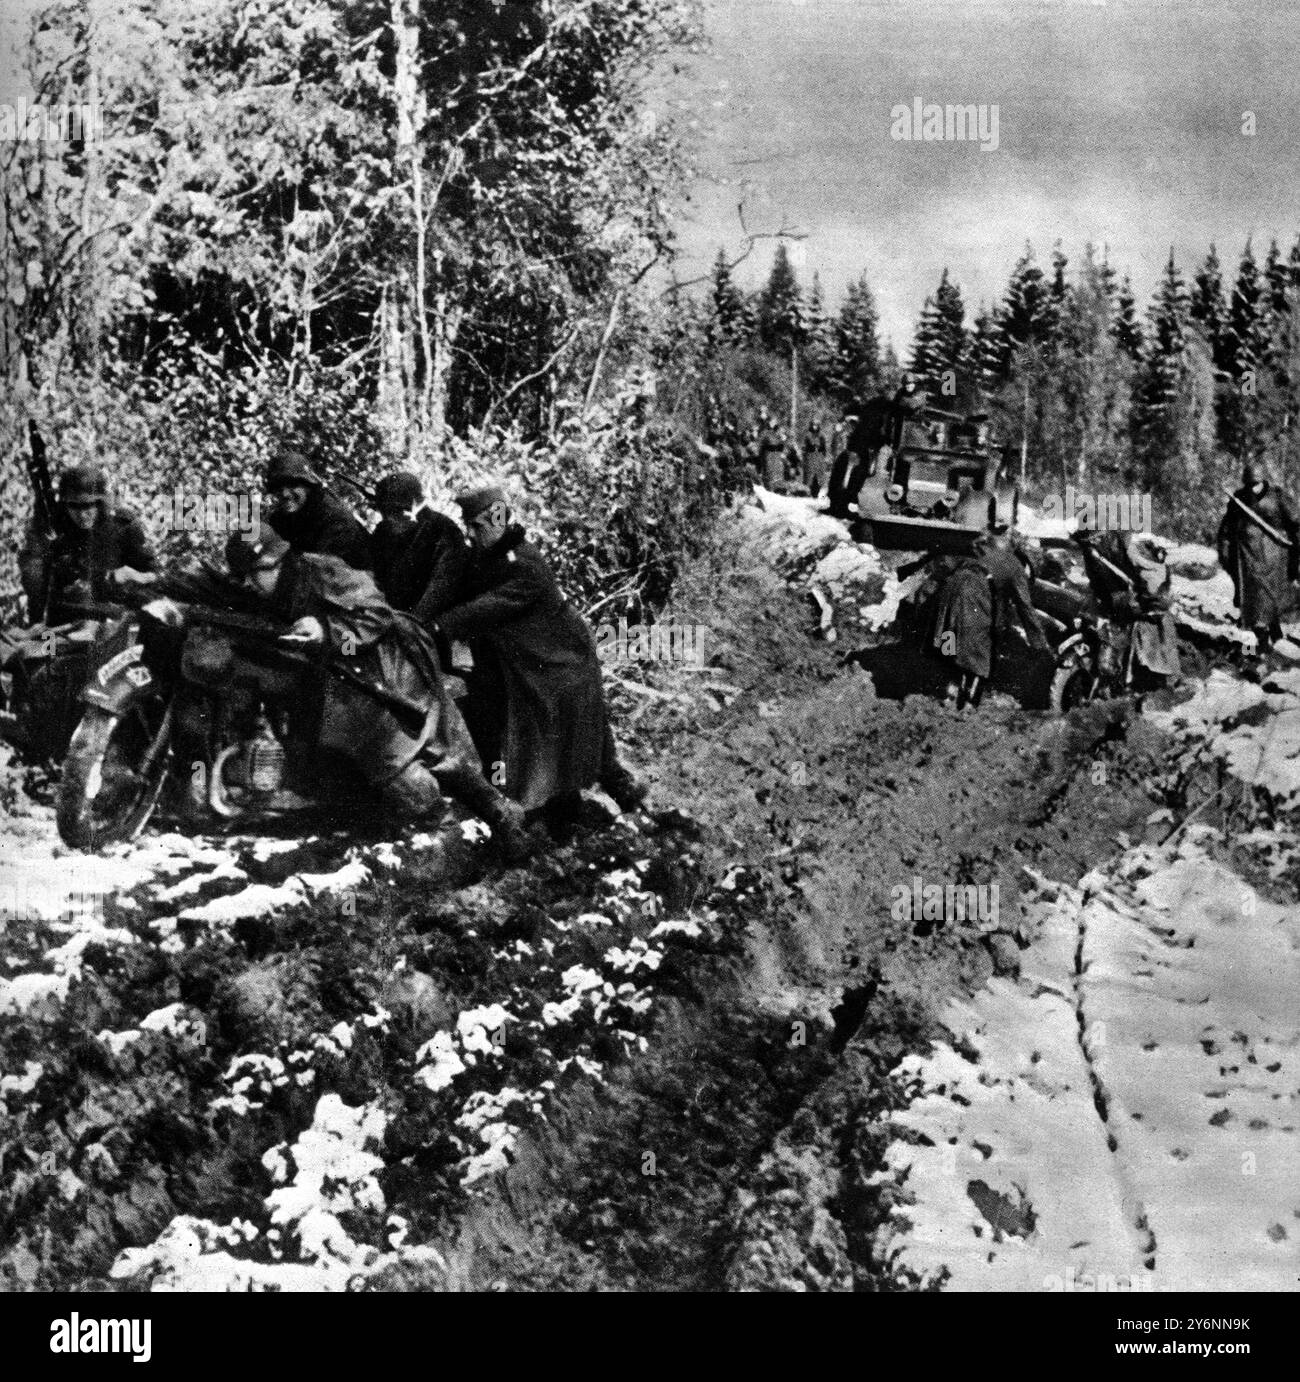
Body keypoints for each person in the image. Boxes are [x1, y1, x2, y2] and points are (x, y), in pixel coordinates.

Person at [205, 522, 530, 856]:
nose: (248, 585)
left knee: (425, 754)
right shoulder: (268, 589)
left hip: (390, 671)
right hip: (349, 689)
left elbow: (377, 615)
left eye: (254, 573)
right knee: (397, 761)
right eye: (242, 577)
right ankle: (451, 828)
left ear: (276, 561)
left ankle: (484, 824)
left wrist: (326, 632)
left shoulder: (321, 571)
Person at [435, 486, 645, 831]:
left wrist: (441, 625)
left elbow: (490, 606)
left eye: (476, 526)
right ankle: (565, 808)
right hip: (528, 657)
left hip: (561, 657)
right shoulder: (486, 558)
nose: (470, 534)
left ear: (500, 519)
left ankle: (598, 800)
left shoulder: (525, 563)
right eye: (466, 526)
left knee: (563, 725)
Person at [930, 528, 1050, 710]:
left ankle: (950, 694)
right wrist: (1039, 644)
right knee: (981, 650)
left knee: (951, 640)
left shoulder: (990, 552)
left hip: (953, 586)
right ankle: (969, 704)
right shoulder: (1016, 566)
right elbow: (1025, 607)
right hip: (974, 591)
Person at [18, 465, 155, 623]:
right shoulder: (57, 526)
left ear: (100, 502)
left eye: (88, 505)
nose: (82, 515)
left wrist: (134, 576)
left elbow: (153, 573)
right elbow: (44, 579)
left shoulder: (123, 526)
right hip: (67, 619)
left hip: (112, 618)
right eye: (74, 506)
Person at [368, 472, 469, 668]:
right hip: (388, 625)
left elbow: (442, 587)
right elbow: (371, 577)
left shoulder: (443, 530)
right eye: (385, 512)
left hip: (426, 632)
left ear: (416, 505)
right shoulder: (382, 532)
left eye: (396, 512)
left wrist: (412, 623)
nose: (389, 519)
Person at [1075, 522, 1181, 688]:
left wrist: (1141, 600)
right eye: (1087, 542)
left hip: (1146, 599)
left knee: (1145, 637)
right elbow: (1099, 583)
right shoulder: (1092, 552)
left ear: (1102, 536)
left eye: (1094, 540)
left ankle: (1149, 680)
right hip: (1116, 600)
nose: (1090, 545)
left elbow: (1154, 579)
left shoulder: (1128, 548)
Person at [1216, 463, 1299, 654]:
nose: (1253, 489)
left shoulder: (1279, 497)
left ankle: (1258, 651)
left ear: (1263, 481)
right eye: (1249, 485)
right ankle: (1255, 652)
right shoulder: (1238, 499)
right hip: (1246, 560)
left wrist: (1296, 556)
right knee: (1251, 608)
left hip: (1274, 560)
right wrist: (1226, 557)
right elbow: (1226, 530)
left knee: (1265, 605)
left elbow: (1296, 524)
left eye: (1256, 484)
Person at [265, 449, 373, 572]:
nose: (284, 494)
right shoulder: (281, 518)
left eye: (292, 485)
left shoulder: (334, 518)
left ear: (308, 486)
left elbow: (322, 571)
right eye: (278, 488)